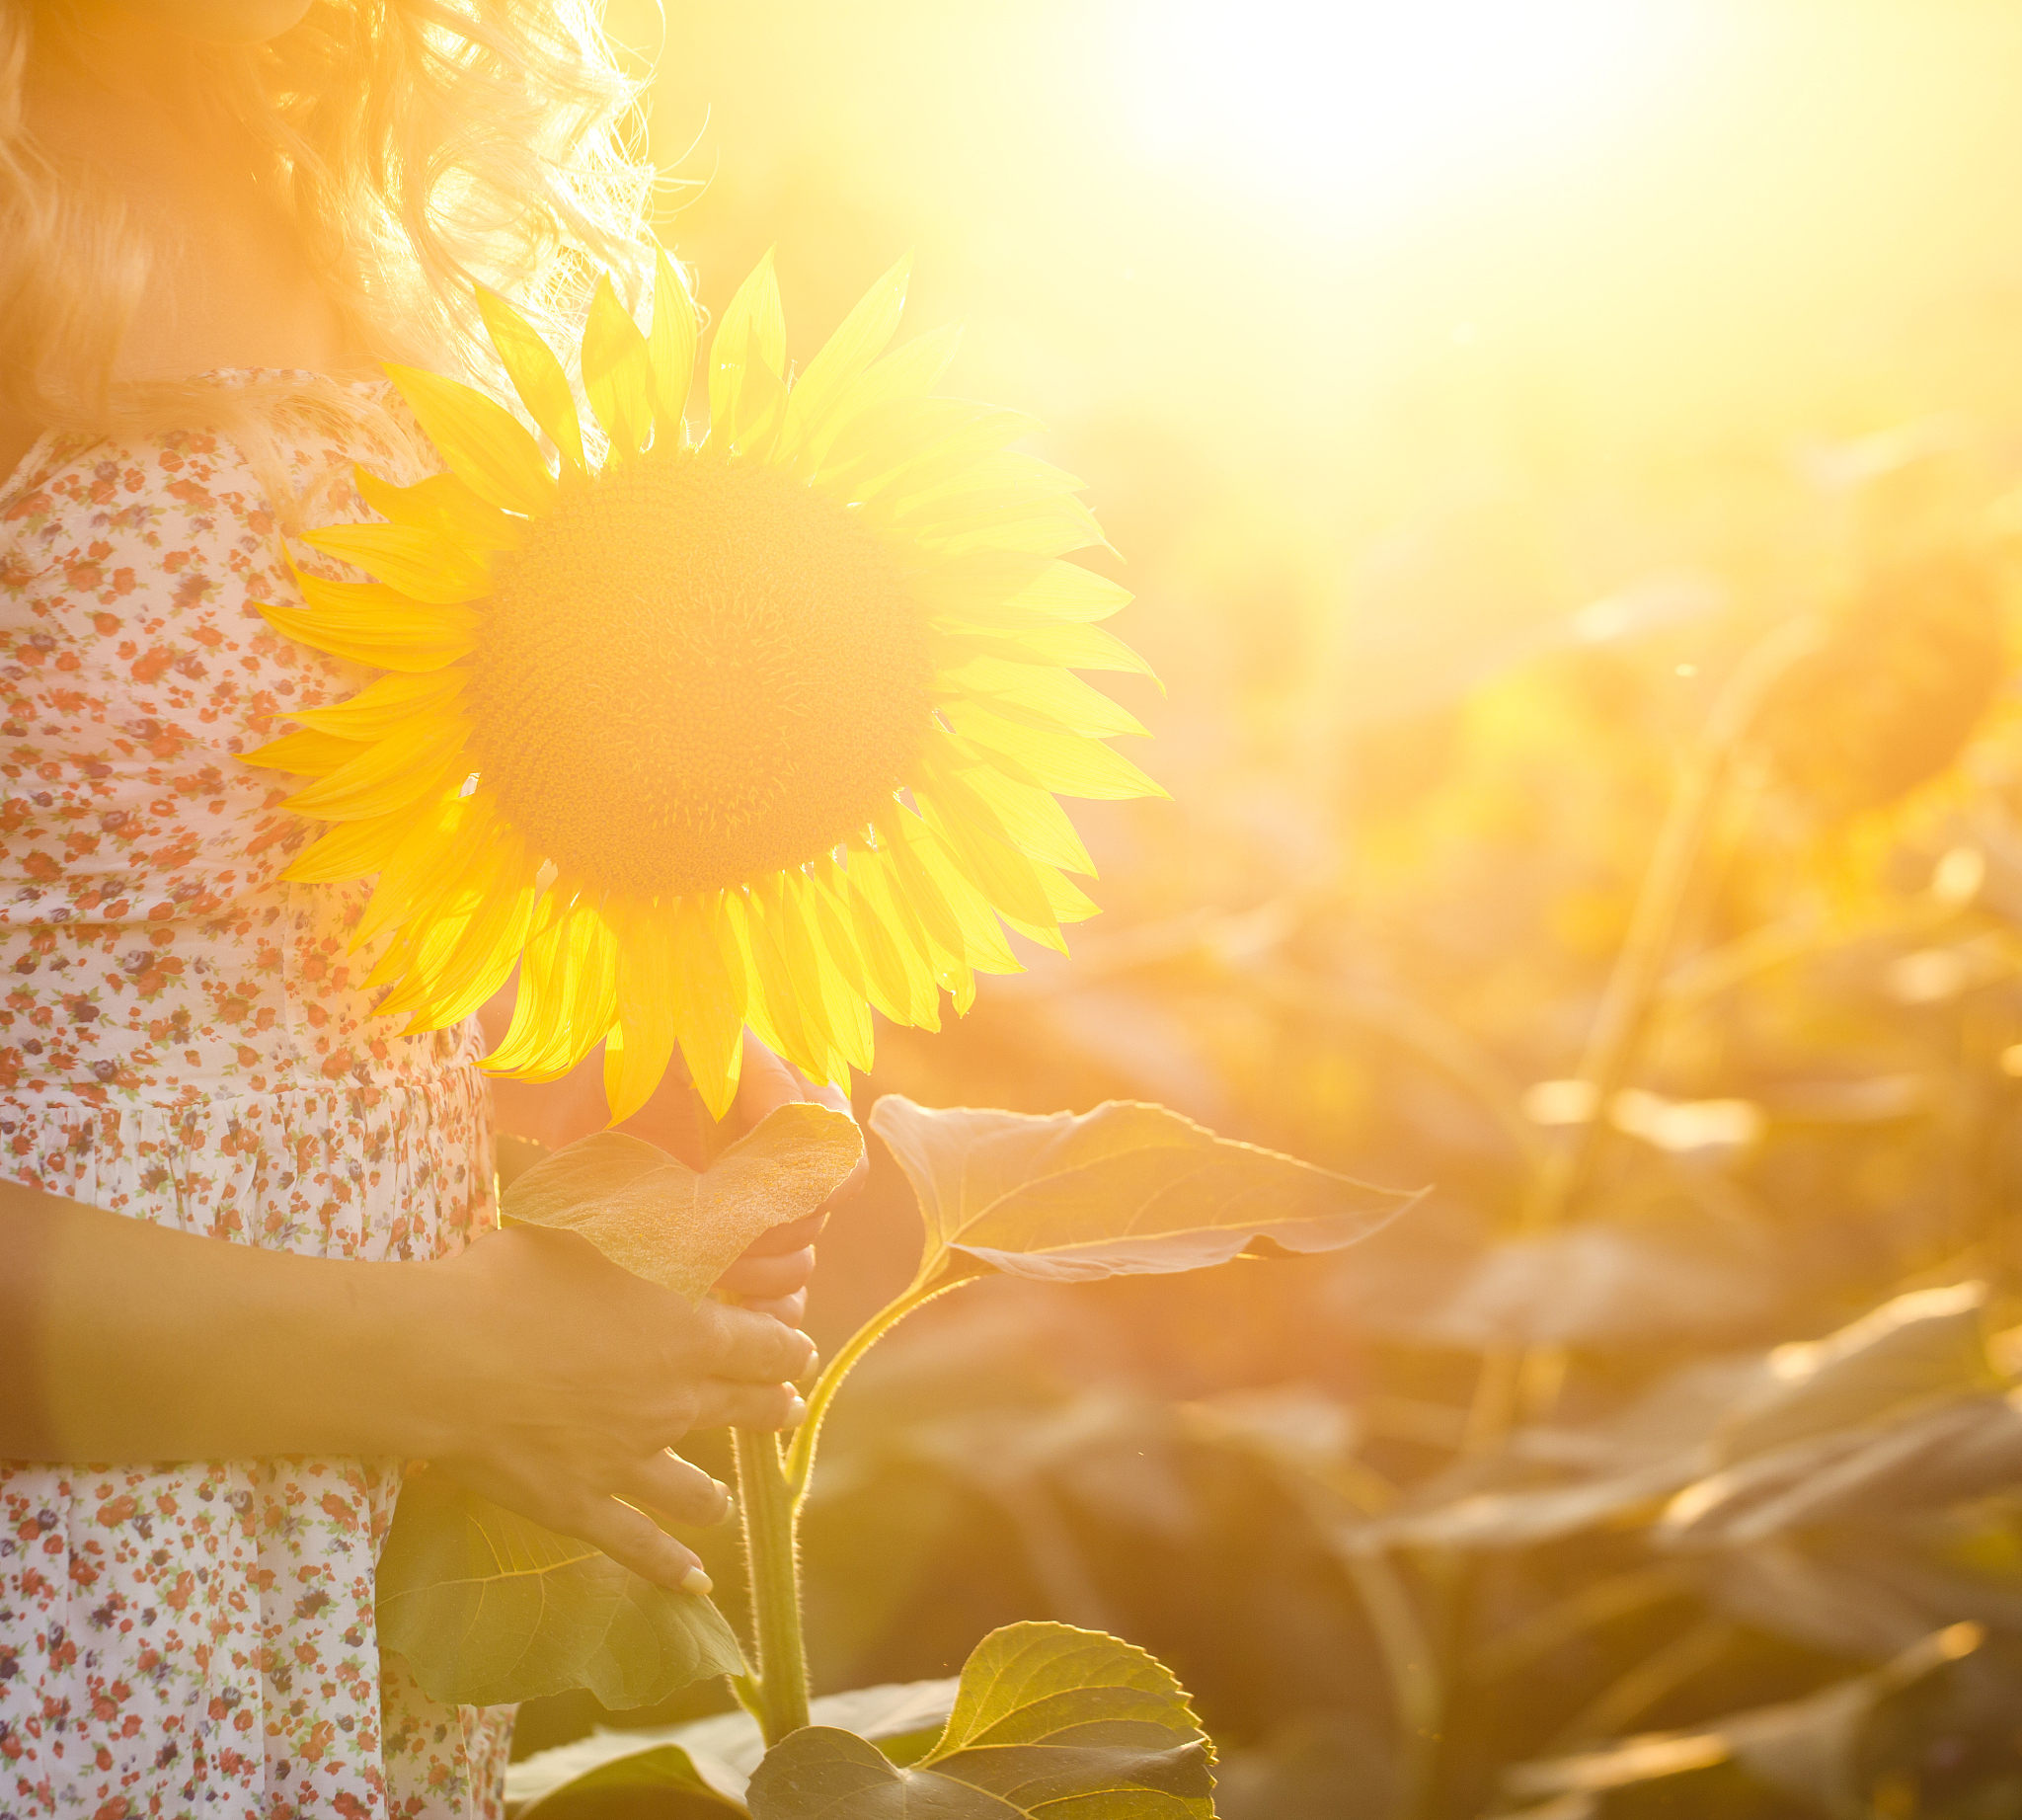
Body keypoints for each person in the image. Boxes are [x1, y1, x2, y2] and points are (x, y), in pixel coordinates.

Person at [0, 1, 857, 1813]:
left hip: (317, 1573)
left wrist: (601, 1044)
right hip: (67, 1594)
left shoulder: (368, 202)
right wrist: (439, 1362)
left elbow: (277, 862)